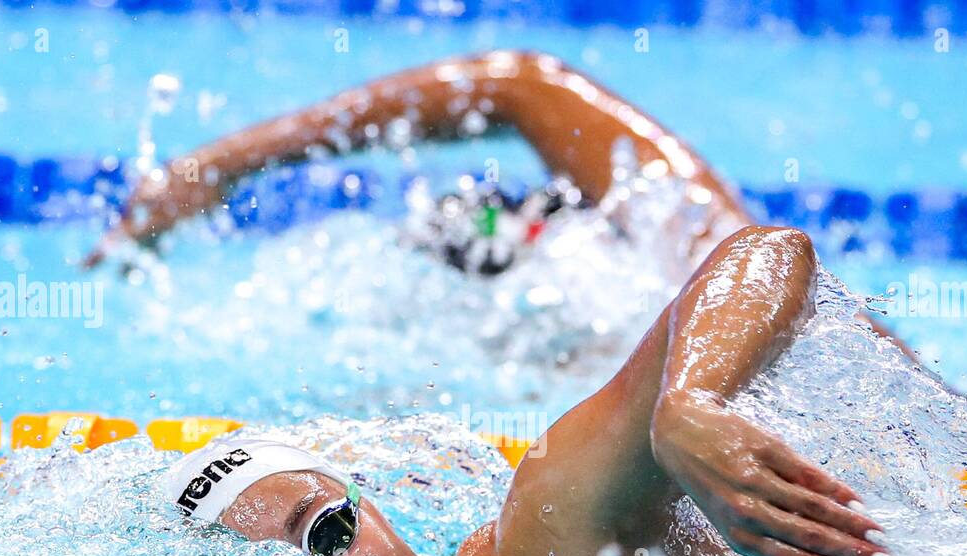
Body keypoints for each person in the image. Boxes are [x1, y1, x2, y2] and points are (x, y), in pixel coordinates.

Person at [164, 222, 892, 556]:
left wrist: (689, 403)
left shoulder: (551, 535)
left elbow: (768, 251)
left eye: (328, 533)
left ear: (373, 504)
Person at [82, 49, 910, 353]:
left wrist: (211, 169)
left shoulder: (689, 285)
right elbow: (519, 82)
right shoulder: (700, 254)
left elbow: (518, 85)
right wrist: (219, 167)